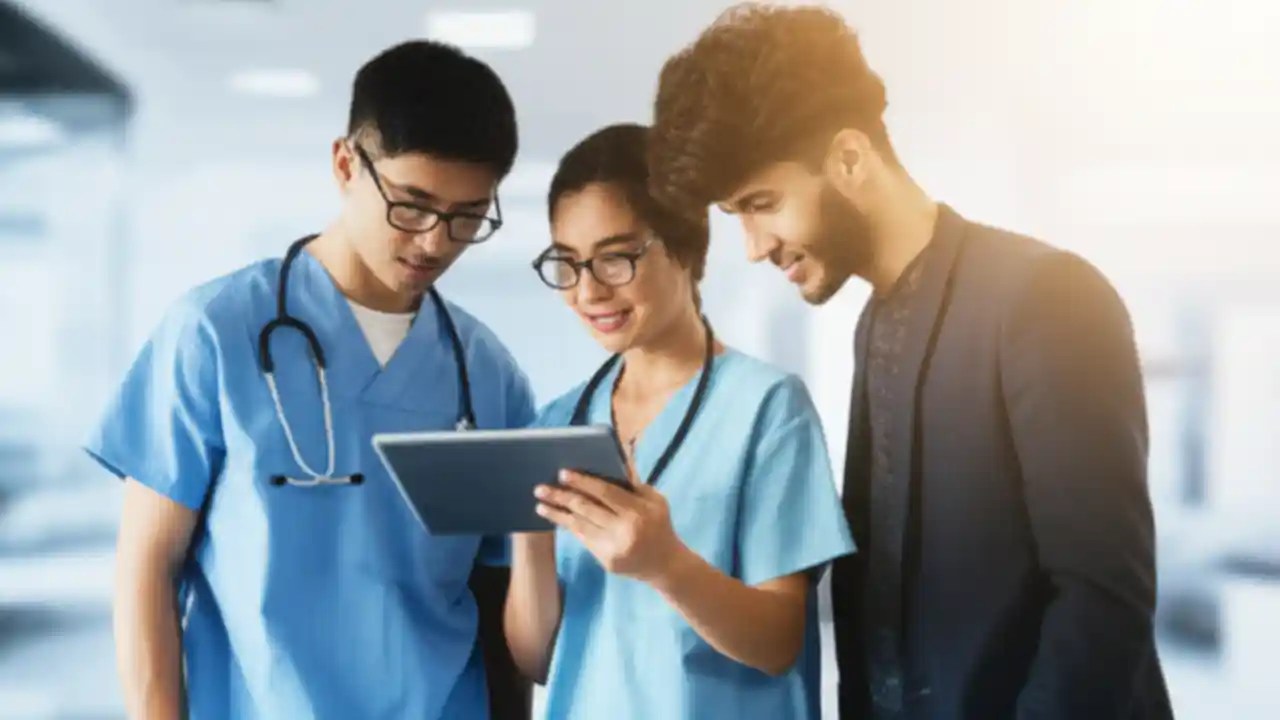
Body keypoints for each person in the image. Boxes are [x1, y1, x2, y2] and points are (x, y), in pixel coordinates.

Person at [648, 5, 1174, 720]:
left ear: (850, 159)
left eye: (762, 203)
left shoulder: (1045, 296)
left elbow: (1101, 600)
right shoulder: (876, 325)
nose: (753, 245)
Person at [87, 41, 535, 719]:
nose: (436, 242)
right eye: (412, 206)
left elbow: (499, 602)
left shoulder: (487, 373)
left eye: (468, 217)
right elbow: (146, 569)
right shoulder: (215, 333)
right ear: (345, 164)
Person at [502, 123, 855, 719]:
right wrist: (528, 535)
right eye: (567, 264)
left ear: (688, 249)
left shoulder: (766, 409)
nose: (588, 291)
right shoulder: (557, 423)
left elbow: (777, 643)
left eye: (615, 259)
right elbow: (539, 658)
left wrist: (667, 565)